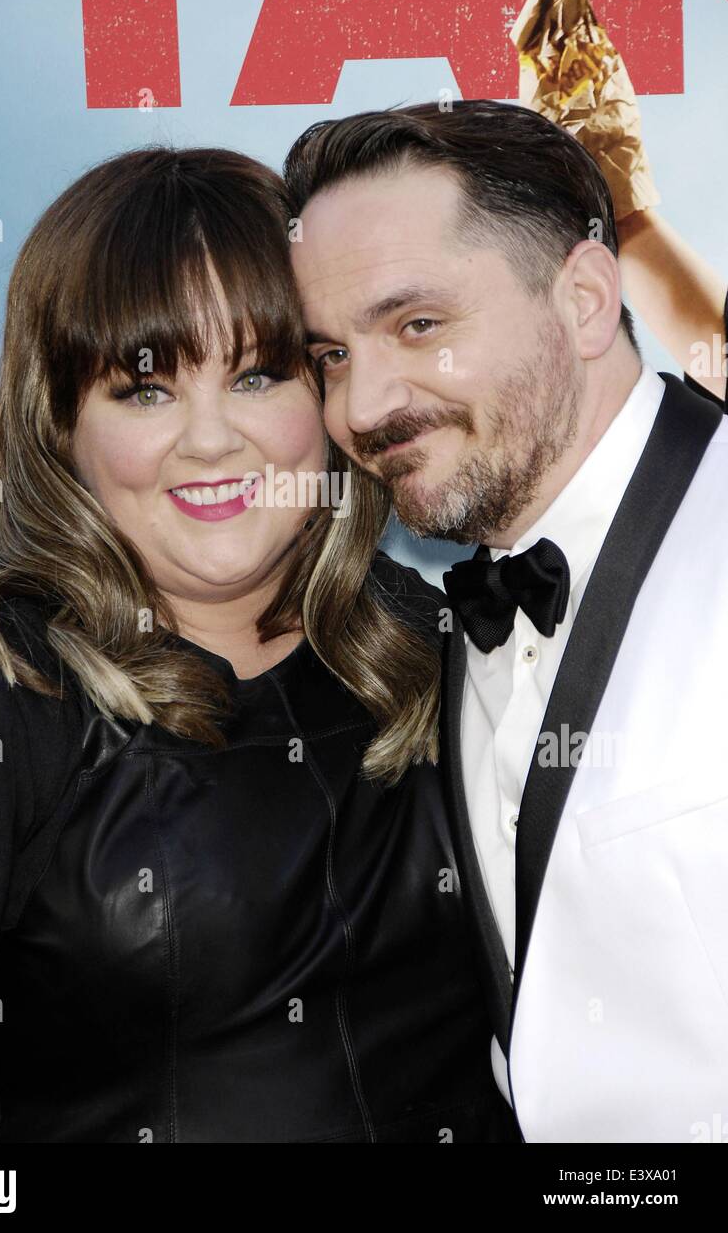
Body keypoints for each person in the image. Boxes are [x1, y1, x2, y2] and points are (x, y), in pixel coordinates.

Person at [0, 145, 519, 1144]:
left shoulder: (433, 643)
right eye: (146, 388)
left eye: (259, 375)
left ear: (333, 395)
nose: (210, 440)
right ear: (58, 422)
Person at [284, 98, 728, 1142]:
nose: (360, 406)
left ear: (580, 300)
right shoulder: (430, 624)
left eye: (416, 325)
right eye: (329, 356)